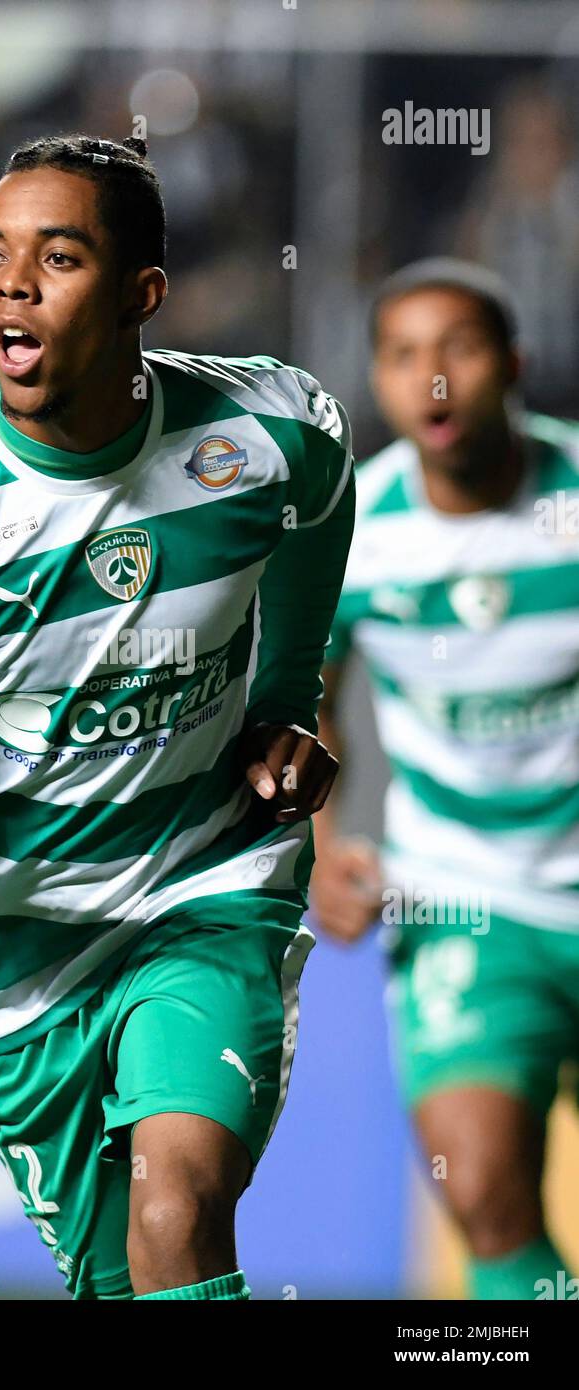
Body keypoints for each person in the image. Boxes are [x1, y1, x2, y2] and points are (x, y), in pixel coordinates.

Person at [0, 134, 354, 1300]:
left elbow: (318, 509)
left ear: (142, 292)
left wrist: (287, 710)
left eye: (59, 256)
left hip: (202, 886)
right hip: (7, 961)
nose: (12, 285)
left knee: (177, 1207)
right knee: (122, 1281)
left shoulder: (262, 436)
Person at [312, 258, 579, 1300]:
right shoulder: (352, 532)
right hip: (462, 898)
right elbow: (308, 705)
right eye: (402, 357)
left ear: (510, 365)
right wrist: (322, 851)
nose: (432, 382)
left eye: (458, 351)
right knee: (477, 1185)